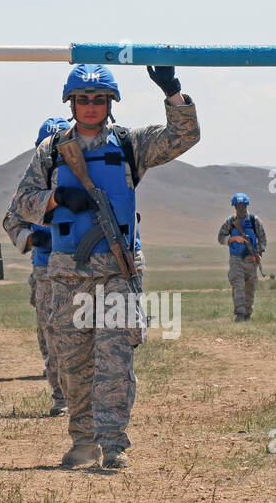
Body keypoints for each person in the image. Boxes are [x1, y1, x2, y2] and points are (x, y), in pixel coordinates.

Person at [13, 63, 199, 469]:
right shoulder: (51, 150)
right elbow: (21, 203)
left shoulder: (131, 144)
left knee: (115, 360)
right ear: (72, 103)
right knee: (74, 366)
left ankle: (113, 442)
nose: (91, 106)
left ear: (111, 103)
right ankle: (83, 442)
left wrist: (173, 92)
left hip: (118, 270)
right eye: (83, 99)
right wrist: (56, 199)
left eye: (99, 99)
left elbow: (183, 137)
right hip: (67, 276)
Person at [3, 117, 70, 415]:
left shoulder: (82, 177)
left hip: (80, 267)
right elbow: (11, 221)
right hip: (44, 270)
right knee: (50, 332)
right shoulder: (28, 187)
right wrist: (32, 239)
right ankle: (61, 396)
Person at [217, 193, 266, 322]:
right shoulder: (230, 221)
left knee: (250, 286)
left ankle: (247, 313)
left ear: (246, 206)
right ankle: (239, 313)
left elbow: (262, 238)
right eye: (238, 206)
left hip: (251, 259)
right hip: (236, 258)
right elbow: (220, 237)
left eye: (242, 206)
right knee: (238, 284)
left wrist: (259, 254)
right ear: (234, 207)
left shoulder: (254, 221)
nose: (240, 208)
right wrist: (233, 238)